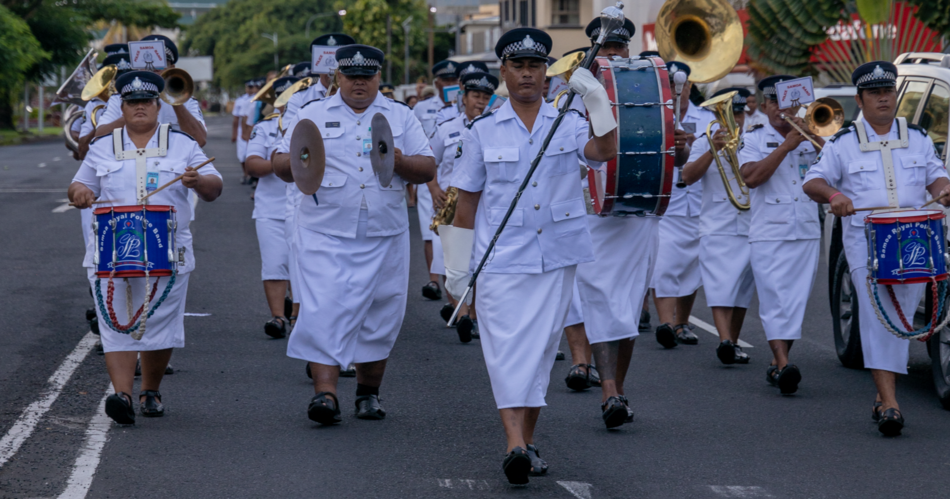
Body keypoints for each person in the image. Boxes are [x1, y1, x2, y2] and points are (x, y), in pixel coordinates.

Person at [443, 27, 617, 484]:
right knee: (505, 353)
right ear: (503, 71)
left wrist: (597, 101)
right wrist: (459, 271)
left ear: (546, 73)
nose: (526, 74)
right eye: (517, 66)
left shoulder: (569, 120)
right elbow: (466, 204)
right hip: (501, 259)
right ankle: (514, 443)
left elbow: (603, 151)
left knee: (538, 354)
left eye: (535, 66)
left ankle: (526, 441)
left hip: (556, 257)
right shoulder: (483, 130)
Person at [272, 44, 436, 425]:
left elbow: (427, 167)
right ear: (337, 78)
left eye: (368, 76)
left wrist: (398, 161)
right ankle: (325, 395)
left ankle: (368, 394)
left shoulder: (401, 115)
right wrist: (297, 162)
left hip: (384, 231)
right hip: (324, 230)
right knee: (320, 308)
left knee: (381, 311)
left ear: (379, 77)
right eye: (351, 76)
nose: (359, 83)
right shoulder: (311, 113)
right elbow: (280, 161)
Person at [67, 71, 223, 425]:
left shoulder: (182, 143)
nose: (140, 107)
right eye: (132, 102)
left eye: (147, 102)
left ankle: (149, 390)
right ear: (121, 106)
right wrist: (80, 195)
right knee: (115, 323)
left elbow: (214, 188)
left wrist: (198, 181)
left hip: (167, 251)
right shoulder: (102, 145)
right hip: (112, 250)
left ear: (158, 105)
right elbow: (77, 186)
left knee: (159, 322)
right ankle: (122, 394)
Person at [803, 61, 950, 436]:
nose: (883, 98)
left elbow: (936, 176)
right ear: (860, 99)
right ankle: (890, 403)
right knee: (875, 316)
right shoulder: (842, 143)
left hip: (914, 239)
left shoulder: (917, 137)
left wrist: (941, 191)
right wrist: (834, 195)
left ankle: (884, 394)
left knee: (900, 319)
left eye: (887, 91)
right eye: (874, 93)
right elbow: (813, 180)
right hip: (866, 242)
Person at [570, 17, 690, 428]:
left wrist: (681, 147)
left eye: (620, 49)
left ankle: (616, 388)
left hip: (639, 216)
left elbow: (671, 157)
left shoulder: (650, 89)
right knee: (603, 302)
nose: (614, 56)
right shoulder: (573, 96)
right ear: (592, 52)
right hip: (593, 216)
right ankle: (609, 391)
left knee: (626, 310)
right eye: (606, 49)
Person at [737, 75, 822, 395]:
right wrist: (787, 145)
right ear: (764, 105)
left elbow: (839, 167)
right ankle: (784, 363)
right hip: (769, 232)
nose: (778, 108)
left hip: (805, 232)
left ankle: (779, 361)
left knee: (795, 303)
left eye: (786, 102)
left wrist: (812, 136)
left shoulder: (813, 133)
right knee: (774, 299)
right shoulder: (755, 136)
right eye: (772, 102)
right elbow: (752, 178)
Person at [681, 87, 755, 365]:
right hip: (717, 224)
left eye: (738, 113)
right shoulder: (704, 142)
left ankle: (732, 342)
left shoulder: (754, 141)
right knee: (720, 287)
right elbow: (687, 177)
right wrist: (714, 150)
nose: (735, 119)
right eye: (729, 113)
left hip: (749, 224)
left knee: (741, 291)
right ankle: (725, 340)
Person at [651, 61, 716, 348]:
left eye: (684, 85)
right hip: (668, 201)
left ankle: (682, 323)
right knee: (664, 264)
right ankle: (665, 323)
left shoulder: (708, 118)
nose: (680, 91)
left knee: (692, 266)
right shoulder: (654, 117)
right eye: (674, 86)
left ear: (690, 86)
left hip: (700, 201)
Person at [429, 71, 497, 342]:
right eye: (476, 96)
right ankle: (463, 313)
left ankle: (474, 314)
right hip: (452, 202)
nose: (480, 102)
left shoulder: (495, 127)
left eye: (485, 97)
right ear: (464, 98)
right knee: (455, 259)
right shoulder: (446, 128)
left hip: (485, 202)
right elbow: (429, 160)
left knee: (480, 258)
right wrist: (434, 189)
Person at [245, 76, 299, 339]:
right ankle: (278, 316)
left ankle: (300, 316)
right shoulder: (266, 127)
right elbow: (251, 164)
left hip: (306, 209)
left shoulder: (314, 123)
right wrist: (281, 164)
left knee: (304, 265)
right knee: (275, 264)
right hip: (271, 208)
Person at [95, 35, 207, 148]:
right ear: (136, 68)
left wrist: (175, 100)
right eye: (145, 61)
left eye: (161, 61)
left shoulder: (186, 100)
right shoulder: (118, 98)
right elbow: (99, 137)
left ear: (172, 68)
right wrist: (132, 114)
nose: (153, 67)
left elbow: (200, 140)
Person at [414, 59, 461, 301]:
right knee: (430, 233)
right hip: (430, 178)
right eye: (447, 80)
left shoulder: (467, 109)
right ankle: (434, 281)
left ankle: (453, 293)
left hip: (451, 178)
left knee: (453, 237)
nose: (451, 84)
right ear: (437, 82)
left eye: (455, 80)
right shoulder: (423, 108)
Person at [283, 33, 357, 128]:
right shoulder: (299, 98)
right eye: (327, 63)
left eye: (338, 64)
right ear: (317, 65)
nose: (333, 71)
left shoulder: (359, 95)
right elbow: (289, 134)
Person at [233, 80, 257, 183]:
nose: (251, 89)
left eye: (253, 87)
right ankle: (246, 174)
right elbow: (238, 118)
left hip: (254, 128)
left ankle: (251, 175)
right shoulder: (240, 100)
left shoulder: (257, 98)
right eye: (249, 87)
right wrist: (236, 133)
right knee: (242, 155)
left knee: (250, 153)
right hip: (242, 129)